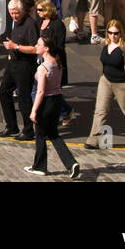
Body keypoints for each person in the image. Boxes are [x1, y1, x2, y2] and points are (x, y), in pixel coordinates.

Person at [86, 18, 125, 148]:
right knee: (100, 111)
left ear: (121, 33)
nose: (113, 36)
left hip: (121, 84)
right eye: (110, 32)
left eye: (116, 33)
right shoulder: (105, 44)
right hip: (106, 81)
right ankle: (93, 140)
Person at [26, 34, 81, 178]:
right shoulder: (57, 63)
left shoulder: (43, 68)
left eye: (39, 45)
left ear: (46, 49)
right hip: (57, 101)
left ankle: (40, 166)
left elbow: (41, 91)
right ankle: (71, 163)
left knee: (40, 134)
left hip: (47, 102)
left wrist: (34, 110)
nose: (36, 46)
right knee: (54, 134)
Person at [0, 0, 39, 140]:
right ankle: (11, 125)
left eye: (16, 13)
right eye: (11, 13)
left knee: (24, 98)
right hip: (13, 62)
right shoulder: (14, 23)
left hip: (25, 64)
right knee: (4, 91)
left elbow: (35, 49)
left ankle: (28, 130)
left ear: (23, 11)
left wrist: (16, 47)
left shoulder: (30, 24)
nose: (14, 16)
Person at [34, 0, 74, 125]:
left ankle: (62, 112)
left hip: (53, 62)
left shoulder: (58, 24)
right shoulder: (40, 21)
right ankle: (62, 111)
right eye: (37, 10)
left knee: (51, 91)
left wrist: (48, 51)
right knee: (42, 89)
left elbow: (60, 45)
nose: (38, 12)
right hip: (40, 60)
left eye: (40, 10)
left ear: (47, 10)